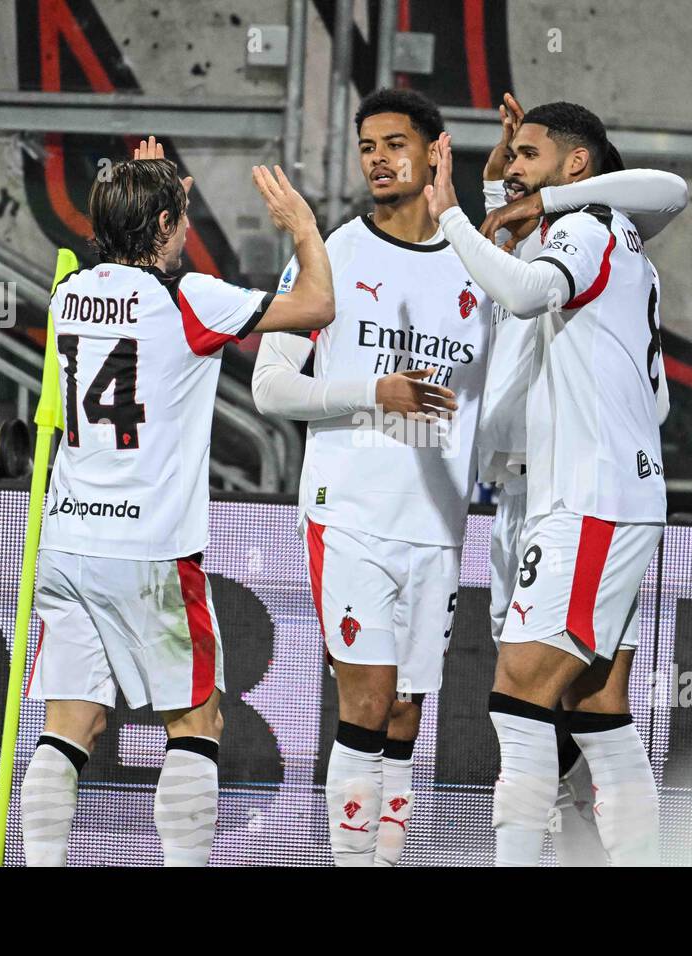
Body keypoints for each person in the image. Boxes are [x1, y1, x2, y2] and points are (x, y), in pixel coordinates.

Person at [20, 138, 334, 866]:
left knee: (71, 725)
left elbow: (134, 260)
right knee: (197, 723)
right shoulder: (189, 299)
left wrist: (154, 190)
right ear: (163, 225)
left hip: (67, 543)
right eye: (181, 217)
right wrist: (303, 227)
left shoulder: (70, 293)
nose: (188, 228)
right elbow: (319, 302)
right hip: (151, 551)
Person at [427, 102, 672, 867]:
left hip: (586, 497)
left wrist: (451, 219)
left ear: (576, 166)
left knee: (519, 687)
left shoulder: (588, 228)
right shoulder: (603, 241)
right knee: (595, 706)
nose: (513, 166)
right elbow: (658, 399)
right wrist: (503, 182)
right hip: (577, 494)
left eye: (530, 153)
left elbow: (527, 291)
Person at [252, 88, 491, 867]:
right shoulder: (335, 252)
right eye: (367, 146)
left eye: (396, 144)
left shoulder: (477, 264)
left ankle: (386, 860)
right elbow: (270, 385)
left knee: (404, 712)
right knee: (364, 698)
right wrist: (370, 392)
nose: (379, 159)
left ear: (434, 153)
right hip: (347, 509)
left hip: (437, 520)